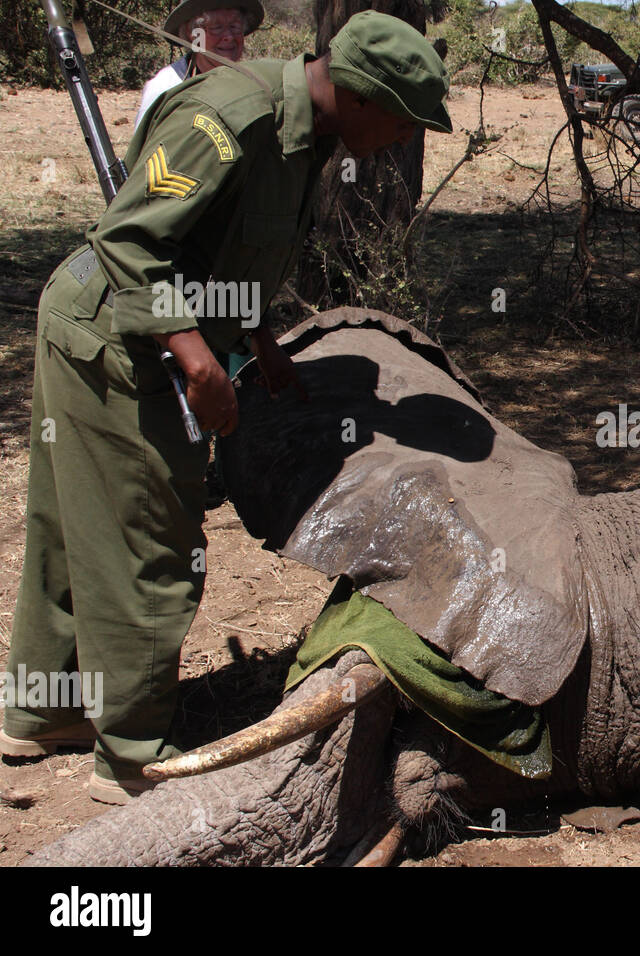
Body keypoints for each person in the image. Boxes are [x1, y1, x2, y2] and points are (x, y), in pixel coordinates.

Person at [0, 11, 453, 804]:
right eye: (404, 124)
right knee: (148, 538)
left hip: (131, 327)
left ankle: (46, 708)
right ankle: (136, 751)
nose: (401, 142)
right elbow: (133, 242)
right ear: (361, 97)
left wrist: (260, 340)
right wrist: (200, 360)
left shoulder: (307, 137)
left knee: (74, 527)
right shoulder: (228, 117)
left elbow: (225, 245)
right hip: (114, 337)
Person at [135, 0, 265, 129]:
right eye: (216, 28)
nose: (229, 36)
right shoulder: (165, 88)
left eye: (234, 26)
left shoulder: (252, 85)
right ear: (192, 34)